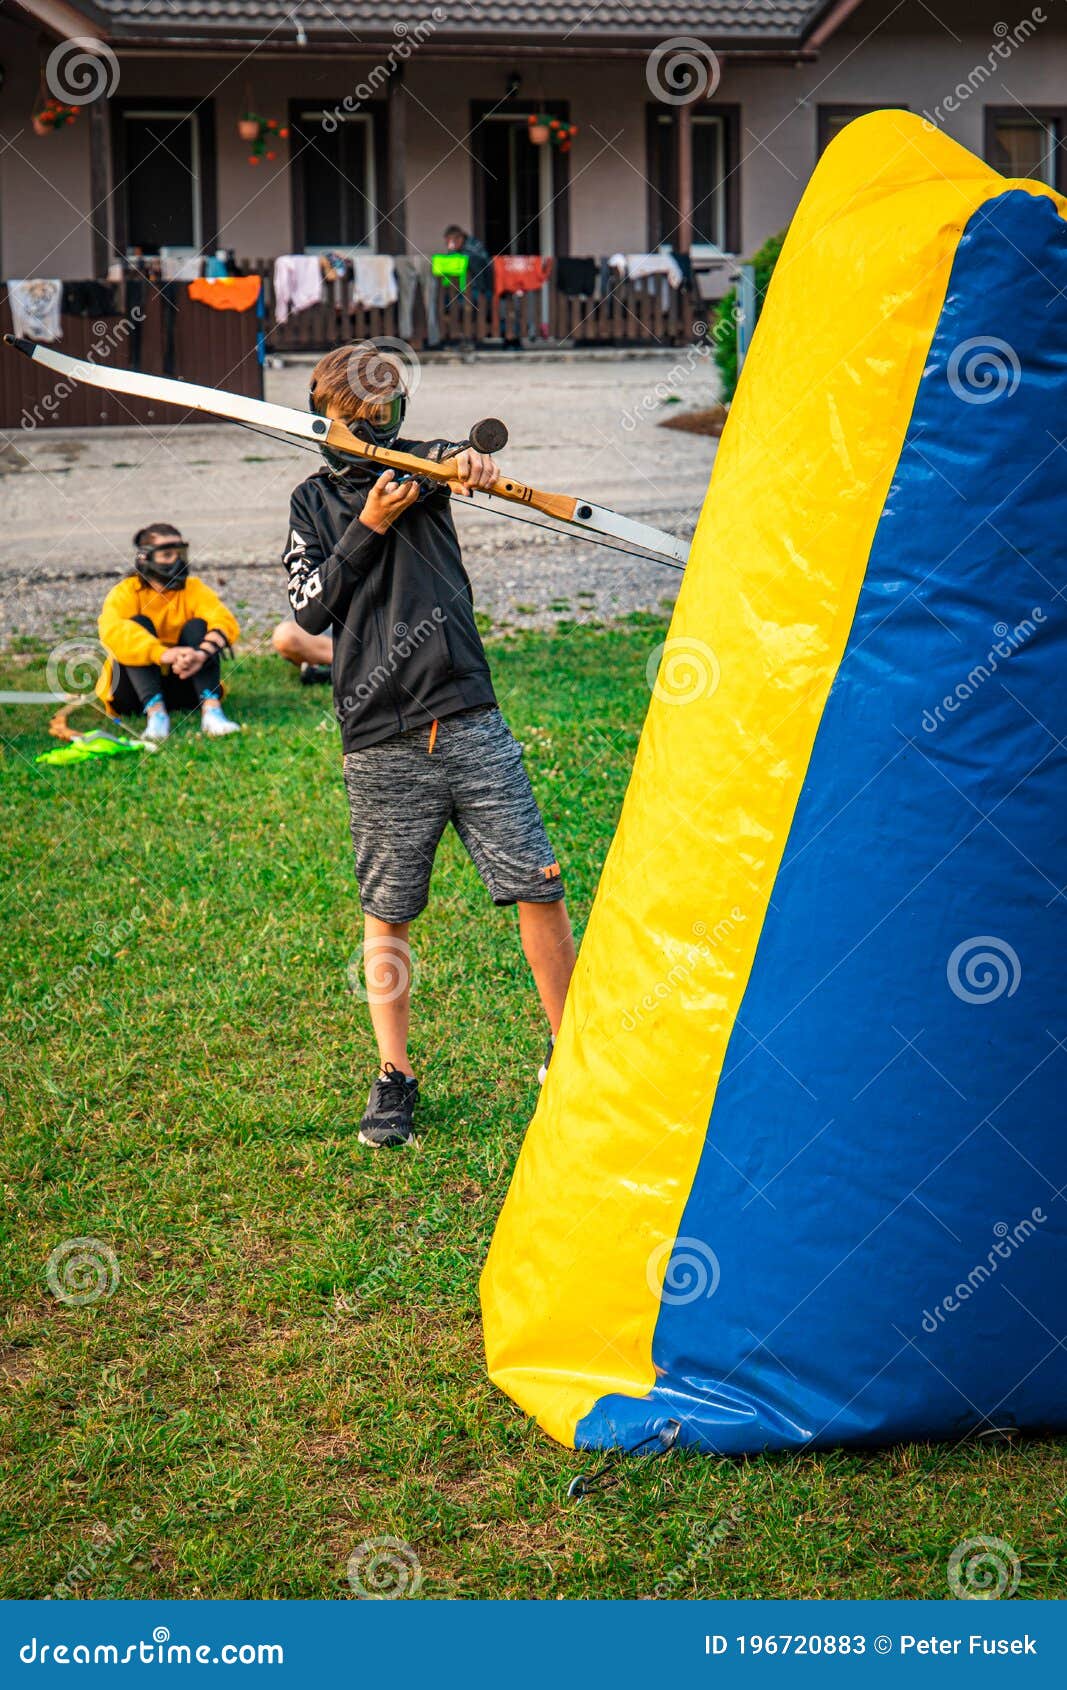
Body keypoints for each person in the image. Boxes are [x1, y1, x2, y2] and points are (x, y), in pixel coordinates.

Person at [282, 341, 576, 1149]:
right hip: (379, 738)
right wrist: (369, 526)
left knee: (536, 884)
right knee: (388, 915)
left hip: (468, 715)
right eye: (368, 420)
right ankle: (395, 1076)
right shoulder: (311, 503)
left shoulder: (424, 469)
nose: (385, 429)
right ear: (332, 418)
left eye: (393, 415)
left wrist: (467, 466)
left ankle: (573, 1050)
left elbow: (456, 458)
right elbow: (308, 612)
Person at [96, 524, 241, 740]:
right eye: (167, 555)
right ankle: (156, 716)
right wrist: (163, 654)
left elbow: (224, 620)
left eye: (180, 553)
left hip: (185, 686)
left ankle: (211, 711)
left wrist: (200, 653)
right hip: (132, 696)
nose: (177, 561)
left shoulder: (194, 589)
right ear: (145, 558)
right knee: (137, 624)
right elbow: (113, 632)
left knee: (198, 626)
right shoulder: (126, 592)